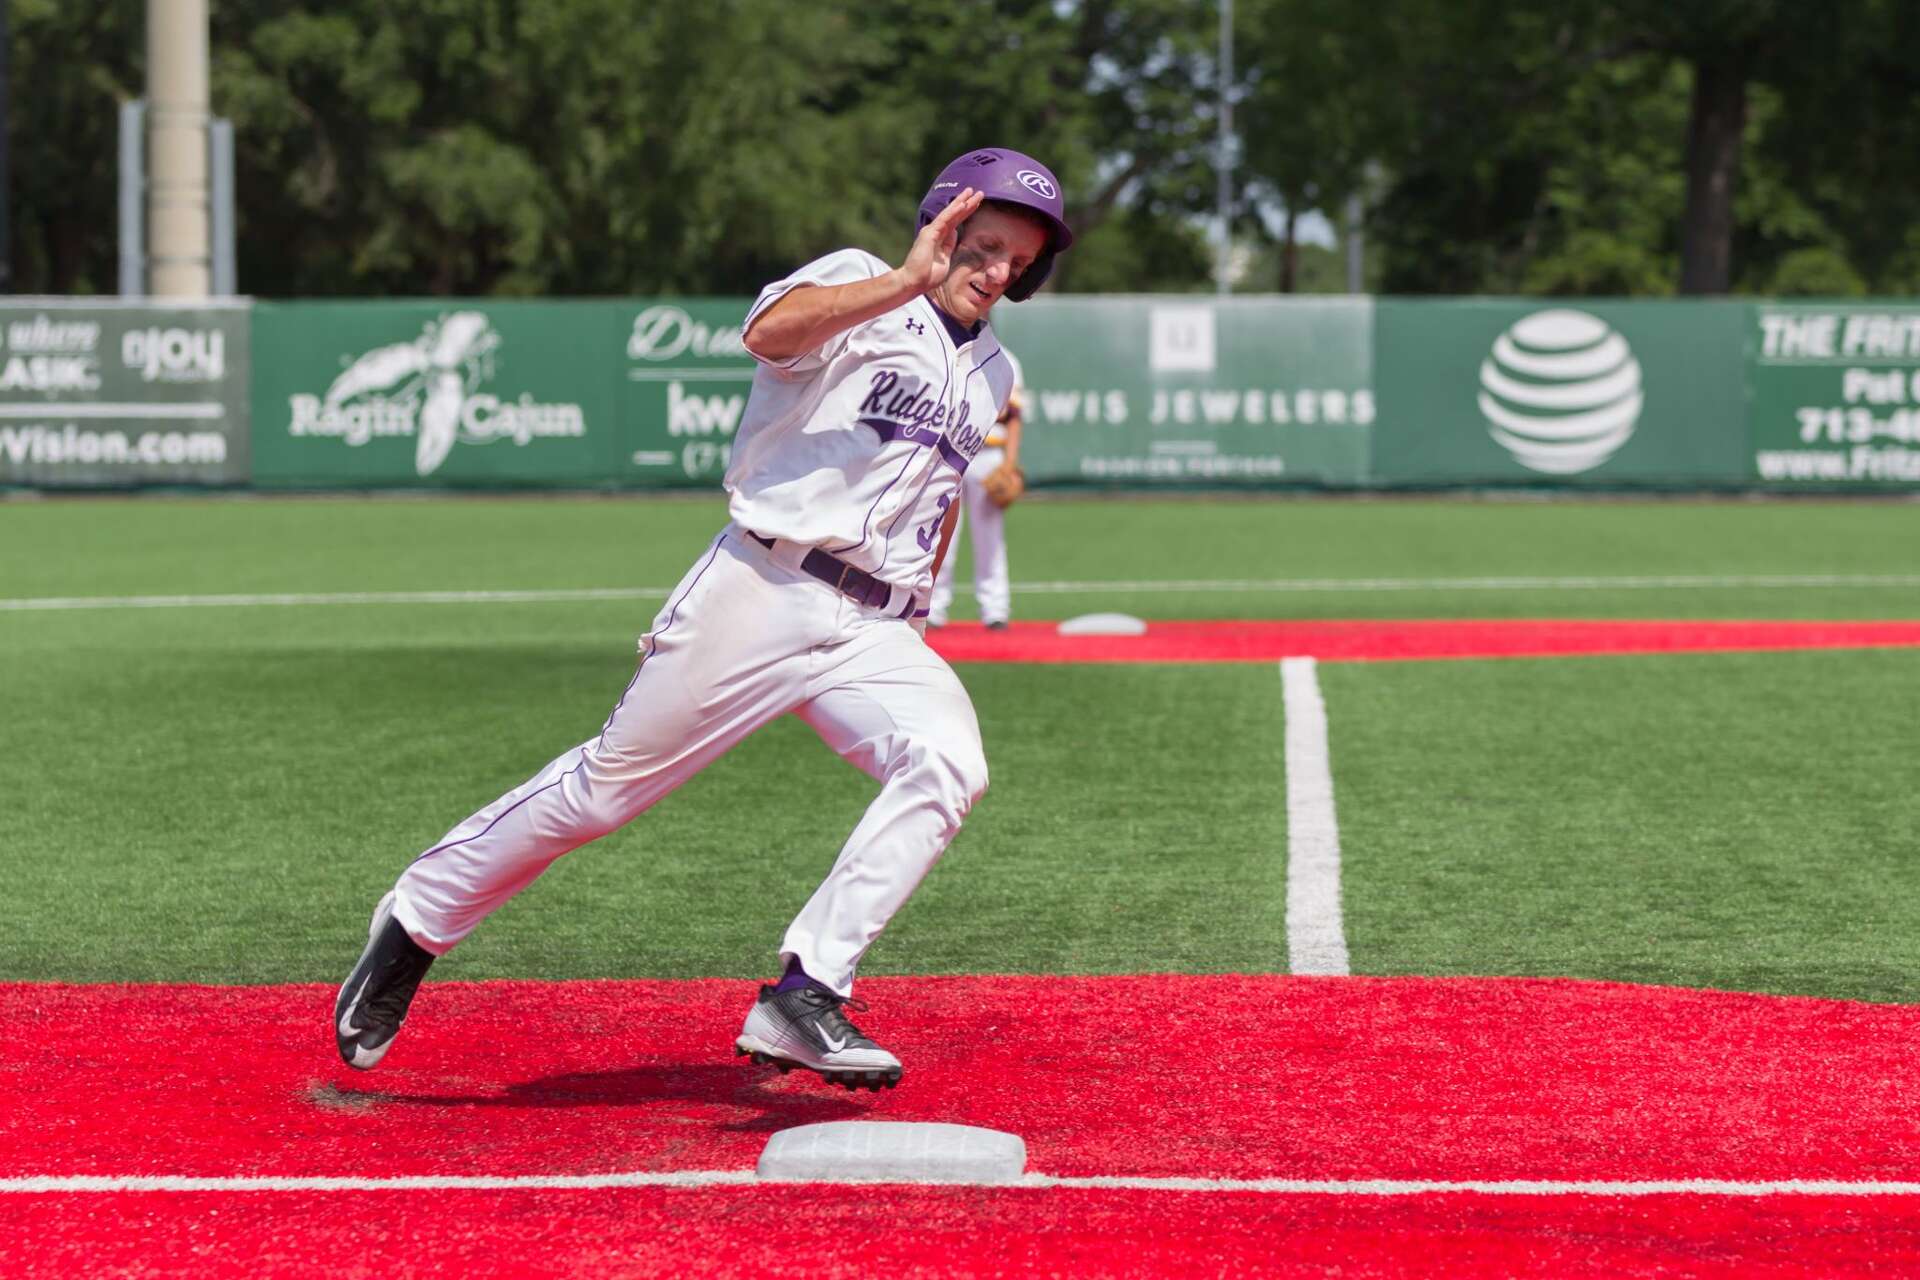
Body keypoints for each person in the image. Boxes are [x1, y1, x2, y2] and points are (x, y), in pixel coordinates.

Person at [333, 147, 1074, 1092]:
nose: (998, 269)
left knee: (949, 761)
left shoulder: (992, 370)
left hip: (876, 625)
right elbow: (769, 335)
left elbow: (935, 501)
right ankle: (417, 920)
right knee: (602, 793)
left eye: (1019, 258)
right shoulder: (857, 280)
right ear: (945, 223)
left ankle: (806, 992)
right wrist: (903, 281)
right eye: (986, 243)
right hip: (762, 589)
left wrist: (917, 623)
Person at [928, 347, 1025, 630]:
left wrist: (1009, 464)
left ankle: (995, 609)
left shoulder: (1006, 359)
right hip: (948, 454)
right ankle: (933, 607)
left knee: (990, 537)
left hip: (989, 455)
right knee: (940, 533)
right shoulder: (947, 350)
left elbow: (1015, 416)